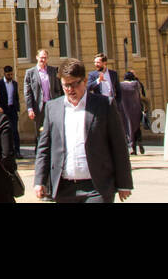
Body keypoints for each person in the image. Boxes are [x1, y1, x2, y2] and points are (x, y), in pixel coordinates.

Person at [33, 58, 133, 203]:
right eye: (65, 85)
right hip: (64, 187)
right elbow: (44, 148)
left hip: (97, 187)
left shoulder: (104, 105)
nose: (70, 90)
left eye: (74, 84)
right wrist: (39, 181)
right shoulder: (52, 107)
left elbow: (119, 146)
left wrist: (124, 183)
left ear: (85, 81)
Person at [89, 53, 129, 139]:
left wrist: (117, 103)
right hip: (99, 104)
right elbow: (88, 88)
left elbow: (118, 90)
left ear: (104, 63)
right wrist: (98, 81)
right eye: (95, 62)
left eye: (98, 62)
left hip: (111, 103)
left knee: (113, 126)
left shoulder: (113, 74)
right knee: (101, 126)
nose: (96, 64)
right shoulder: (92, 75)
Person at [24, 48, 62, 137]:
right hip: (38, 107)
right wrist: (30, 108)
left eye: (45, 58)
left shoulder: (53, 71)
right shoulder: (30, 73)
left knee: (53, 130)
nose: (43, 60)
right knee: (39, 133)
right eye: (41, 57)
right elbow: (27, 93)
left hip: (51, 105)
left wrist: (57, 103)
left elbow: (58, 89)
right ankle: (39, 150)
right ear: (37, 57)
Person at [0, 65, 23, 158]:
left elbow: (16, 96)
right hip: (3, 110)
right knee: (4, 131)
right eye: (8, 74)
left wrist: (17, 108)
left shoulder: (14, 84)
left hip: (12, 109)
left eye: (11, 74)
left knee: (15, 131)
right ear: (4, 74)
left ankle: (17, 151)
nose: (10, 76)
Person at [119, 70, 146, 155]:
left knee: (128, 128)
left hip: (125, 110)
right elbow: (143, 94)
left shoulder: (121, 85)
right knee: (137, 128)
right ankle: (140, 142)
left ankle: (133, 148)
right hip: (136, 109)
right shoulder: (136, 84)